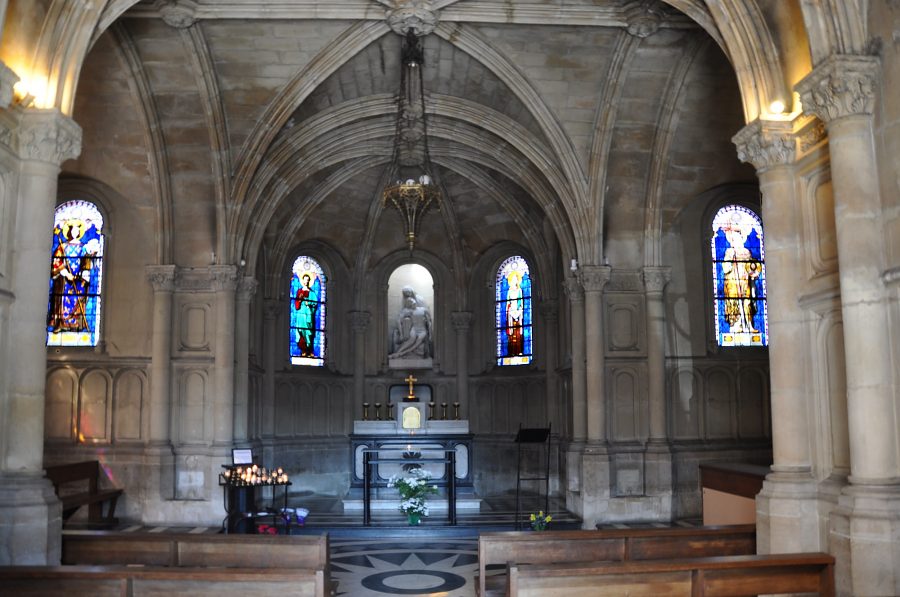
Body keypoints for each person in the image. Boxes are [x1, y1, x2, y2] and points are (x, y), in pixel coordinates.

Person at [47, 218, 100, 334]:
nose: (74, 233)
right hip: (64, 279)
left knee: (78, 297)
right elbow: (57, 262)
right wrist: (66, 273)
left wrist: (83, 275)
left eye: (77, 231)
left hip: (78, 278)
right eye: (73, 230)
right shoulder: (63, 246)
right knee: (63, 298)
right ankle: (61, 322)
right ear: (69, 232)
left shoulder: (82, 247)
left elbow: (86, 261)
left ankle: (75, 322)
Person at [720, 223, 760, 334]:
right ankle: (736, 325)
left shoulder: (747, 252)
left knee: (747, 302)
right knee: (734, 302)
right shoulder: (729, 251)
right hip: (733, 281)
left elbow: (752, 266)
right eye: (732, 239)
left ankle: (749, 324)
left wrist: (754, 272)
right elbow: (725, 267)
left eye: (736, 238)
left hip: (744, 280)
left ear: (741, 239)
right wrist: (730, 259)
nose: (734, 241)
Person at [389, 286, 432, 360]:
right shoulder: (409, 311)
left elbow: (429, 321)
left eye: (408, 294)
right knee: (411, 339)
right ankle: (398, 352)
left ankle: (400, 354)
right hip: (414, 328)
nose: (409, 298)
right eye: (406, 295)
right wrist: (401, 333)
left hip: (422, 330)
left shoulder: (423, 308)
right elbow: (399, 319)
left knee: (416, 343)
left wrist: (430, 334)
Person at [294, 273, 319, 357]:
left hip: (308, 314)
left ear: (309, 281)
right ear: (302, 281)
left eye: (308, 280)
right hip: (300, 314)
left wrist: (309, 304)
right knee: (301, 331)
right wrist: (300, 299)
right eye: (305, 280)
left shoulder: (312, 293)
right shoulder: (299, 291)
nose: (306, 282)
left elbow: (315, 304)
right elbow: (296, 304)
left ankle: (309, 350)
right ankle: (303, 350)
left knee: (308, 332)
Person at [506, 272, 524, 355]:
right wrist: (509, 309)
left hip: (518, 312)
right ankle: (511, 351)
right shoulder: (509, 291)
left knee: (518, 332)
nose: (515, 281)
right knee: (511, 333)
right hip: (511, 313)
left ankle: (519, 350)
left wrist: (519, 308)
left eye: (516, 279)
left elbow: (520, 301)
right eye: (513, 279)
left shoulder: (519, 290)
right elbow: (507, 302)